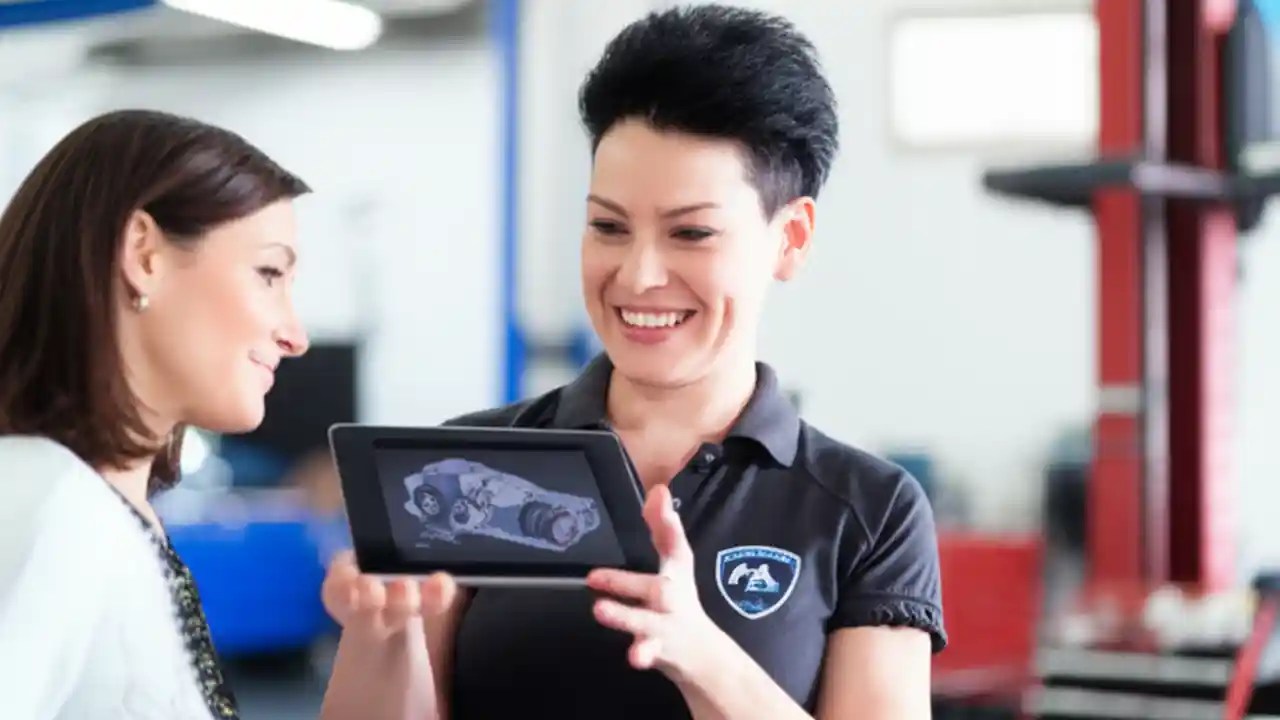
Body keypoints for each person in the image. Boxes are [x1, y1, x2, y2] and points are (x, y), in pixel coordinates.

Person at [320, 5, 945, 719]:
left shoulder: (867, 511)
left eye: (691, 233)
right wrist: (382, 635)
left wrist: (701, 654)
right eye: (608, 227)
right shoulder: (479, 460)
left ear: (790, 238)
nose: (639, 275)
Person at [0, 109, 310, 719]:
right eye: (268, 274)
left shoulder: (105, 512)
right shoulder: (50, 498)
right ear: (144, 254)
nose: (294, 334)